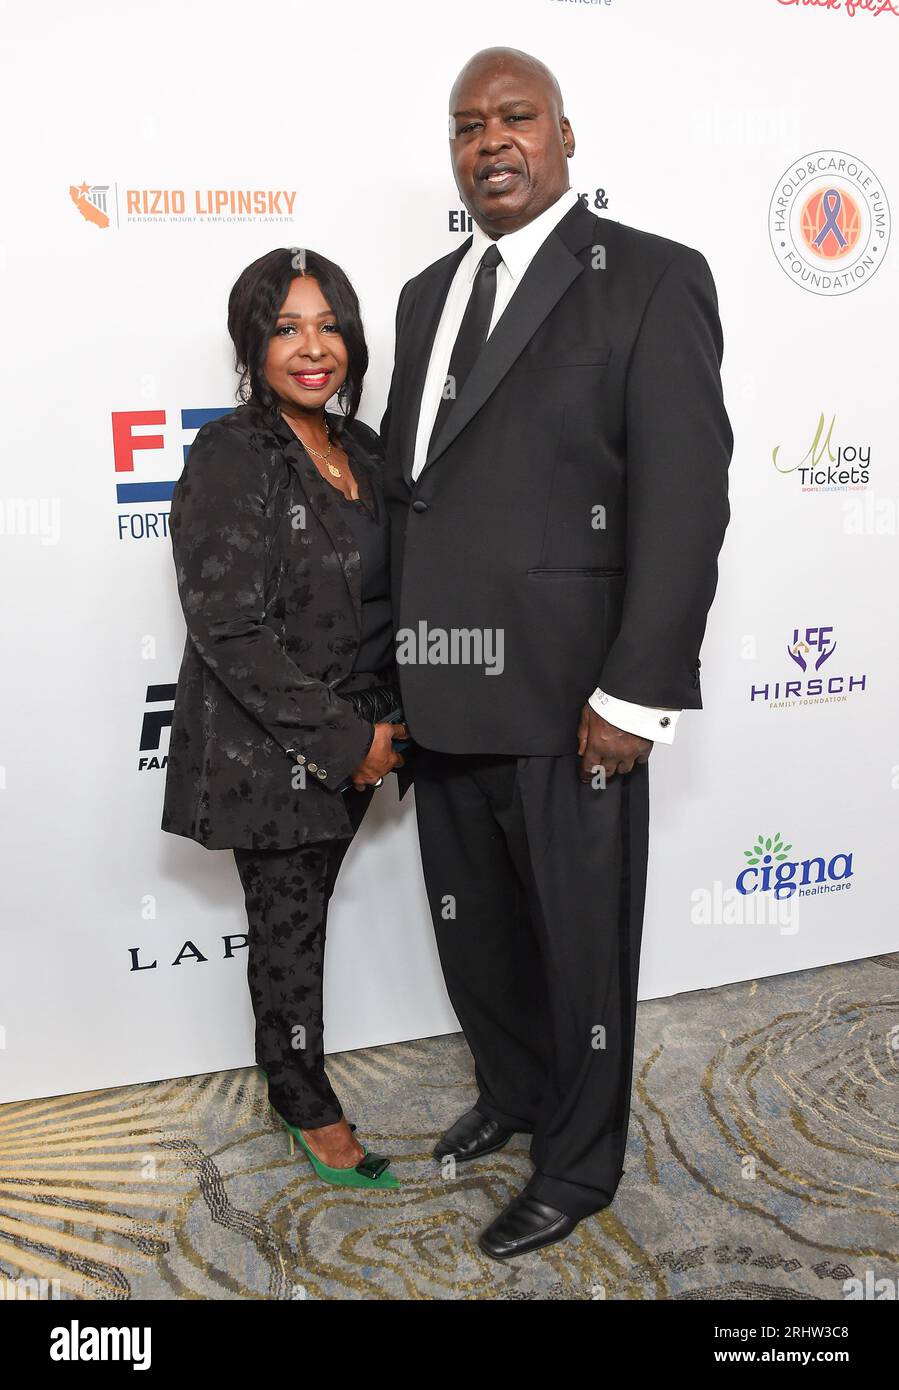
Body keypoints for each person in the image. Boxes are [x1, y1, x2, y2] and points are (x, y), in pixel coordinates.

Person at [380, 48, 733, 1256]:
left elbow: (683, 503)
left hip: (572, 695)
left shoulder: (647, 278)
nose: (490, 142)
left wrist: (634, 691)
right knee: (476, 939)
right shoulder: (426, 294)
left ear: (565, 135)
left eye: (514, 118)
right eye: (466, 126)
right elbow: (413, 494)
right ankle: (518, 1096)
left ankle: (577, 1166)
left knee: (581, 955)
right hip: (444, 684)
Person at [162, 247, 408, 1191]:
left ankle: (296, 1085)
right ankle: (302, 1102)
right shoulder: (233, 453)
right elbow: (227, 626)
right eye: (286, 329)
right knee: (289, 933)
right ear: (250, 345)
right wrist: (350, 744)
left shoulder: (369, 447)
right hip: (273, 759)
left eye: (329, 325)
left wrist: (393, 729)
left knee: (306, 922)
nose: (313, 349)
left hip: (369, 744)